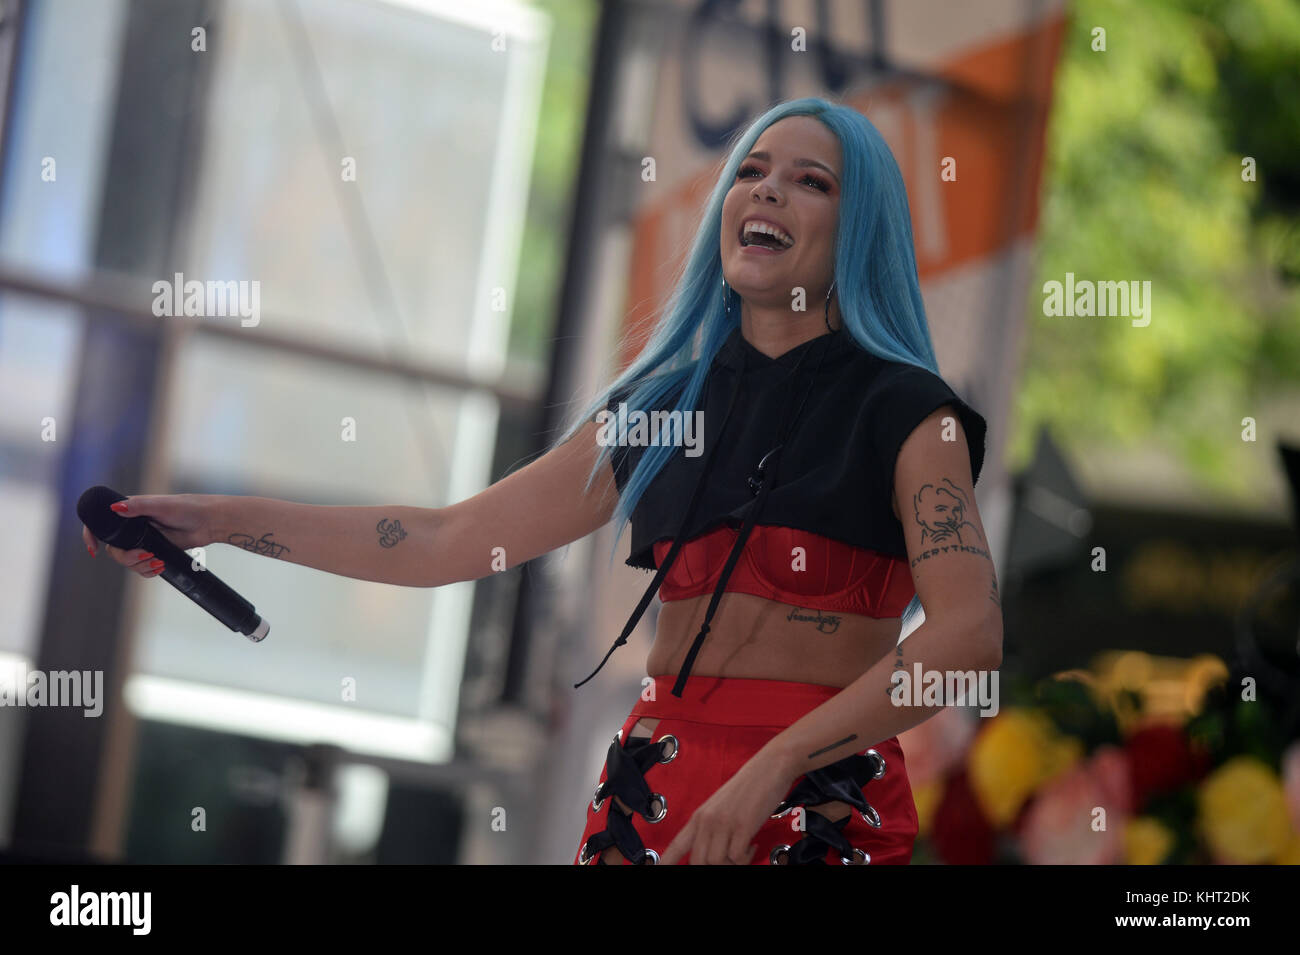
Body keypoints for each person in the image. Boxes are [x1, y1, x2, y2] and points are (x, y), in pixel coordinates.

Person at [84, 95, 1002, 866]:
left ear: (861, 227)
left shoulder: (908, 412)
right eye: (753, 170)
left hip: (816, 794)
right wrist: (219, 518)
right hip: (659, 783)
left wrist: (774, 766)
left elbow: (968, 638)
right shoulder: (659, 405)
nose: (766, 189)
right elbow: (445, 541)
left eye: (811, 180)